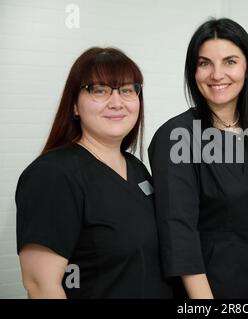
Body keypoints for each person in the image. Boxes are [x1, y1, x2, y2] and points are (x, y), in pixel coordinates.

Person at [16, 47, 173, 298]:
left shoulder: (137, 169)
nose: (117, 102)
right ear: (75, 106)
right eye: (99, 90)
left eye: (127, 90)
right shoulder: (53, 175)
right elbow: (41, 285)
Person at [148, 18, 248, 299]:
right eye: (204, 63)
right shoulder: (178, 135)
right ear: (193, 71)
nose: (216, 74)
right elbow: (178, 232)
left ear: (247, 68)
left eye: (230, 61)